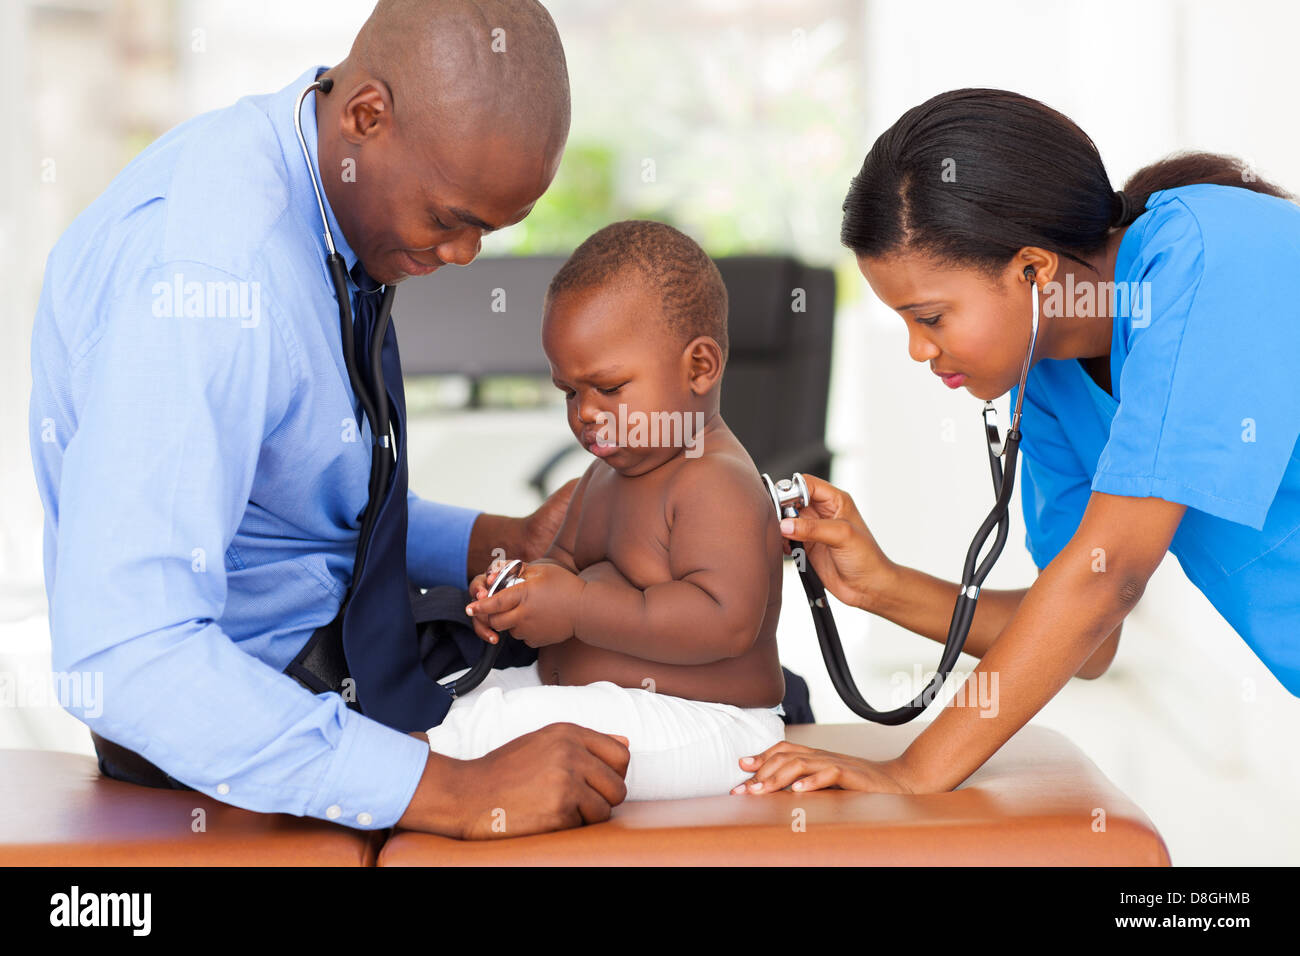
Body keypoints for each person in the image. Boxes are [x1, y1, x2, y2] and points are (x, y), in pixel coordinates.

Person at [28, 0, 632, 841]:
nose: (465, 257)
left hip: (347, 641)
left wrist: (505, 537)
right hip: (252, 714)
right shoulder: (209, 282)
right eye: (453, 219)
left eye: (490, 230)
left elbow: (297, 498)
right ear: (367, 116)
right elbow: (129, 652)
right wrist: (454, 792)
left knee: (709, 679)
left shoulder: (326, 194)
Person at [733, 88, 1300, 796]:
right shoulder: (1052, 382)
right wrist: (882, 586)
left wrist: (912, 772)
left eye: (931, 316)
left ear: (1033, 270)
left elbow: (1107, 578)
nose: (918, 349)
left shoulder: (1208, 261)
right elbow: (1089, 643)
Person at [435, 220, 787, 802]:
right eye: (570, 392)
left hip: (711, 726)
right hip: (608, 703)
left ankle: (404, 775)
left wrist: (575, 608)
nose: (586, 414)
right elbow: (560, 566)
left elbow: (724, 620)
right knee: (444, 696)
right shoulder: (602, 477)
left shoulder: (714, 483)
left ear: (699, 367)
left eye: (609, 387)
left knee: (488, 735)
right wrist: (515, 595)